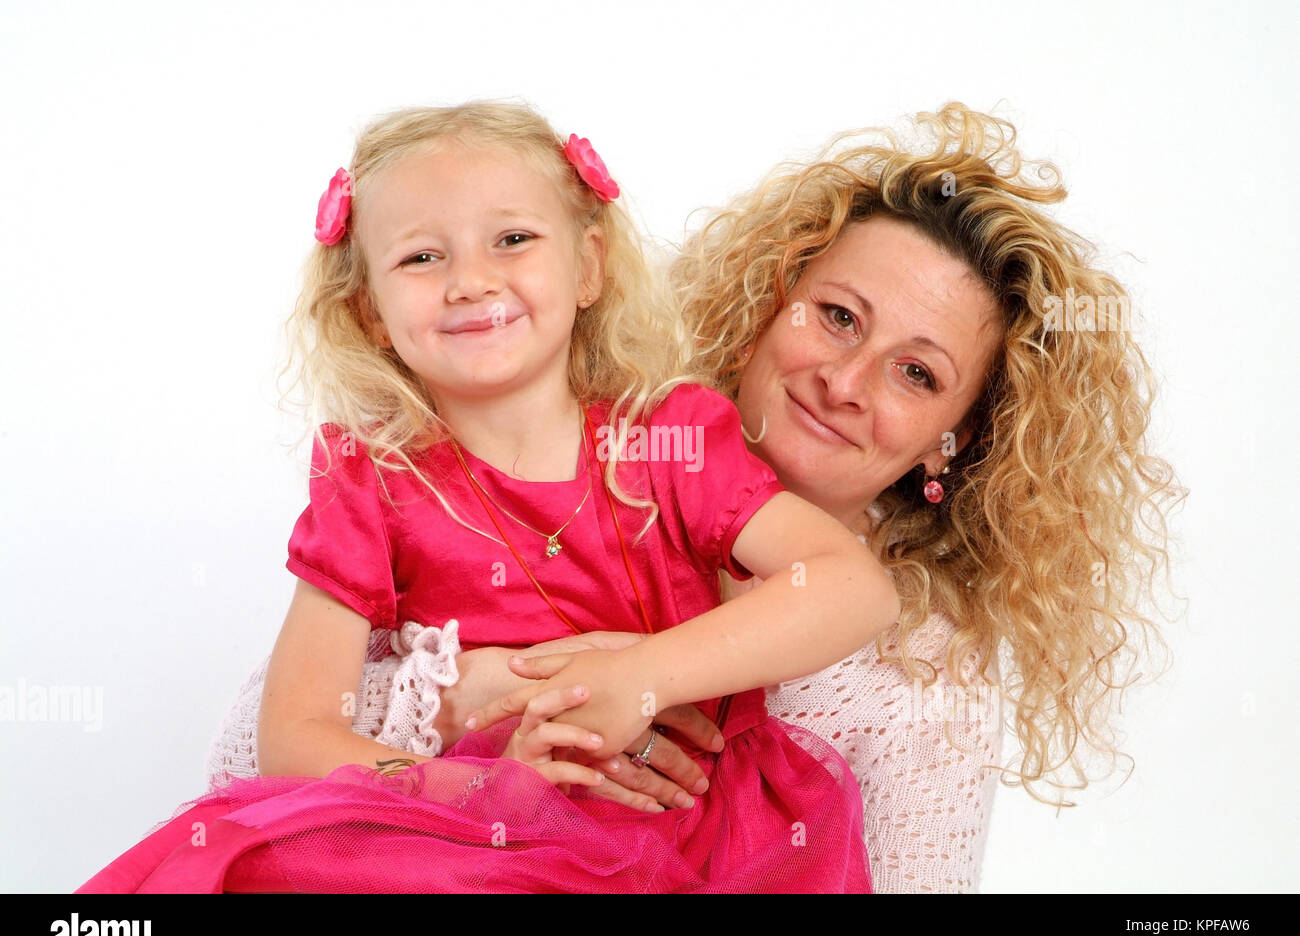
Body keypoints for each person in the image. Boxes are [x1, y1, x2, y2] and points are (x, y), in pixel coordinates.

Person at [304, 103, 1182, 892]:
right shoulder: (593, 448)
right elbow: (257, 753)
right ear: (773, 296)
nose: (844, 381)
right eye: (837, 316)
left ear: (957, 442)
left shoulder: (925, 676)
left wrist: (635, 677)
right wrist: (465, 700)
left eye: (916, 373)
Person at [75, 100, 902, 894]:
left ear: (587, 266)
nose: (471, 280)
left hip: (691, 836)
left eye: (511, 238)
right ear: (369, 309)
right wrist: (471, 787)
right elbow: (293, 738)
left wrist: (638, 678)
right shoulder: (374, 478)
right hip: (471, 840)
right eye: (421, 257)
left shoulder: (666, 442)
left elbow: (848, 585)